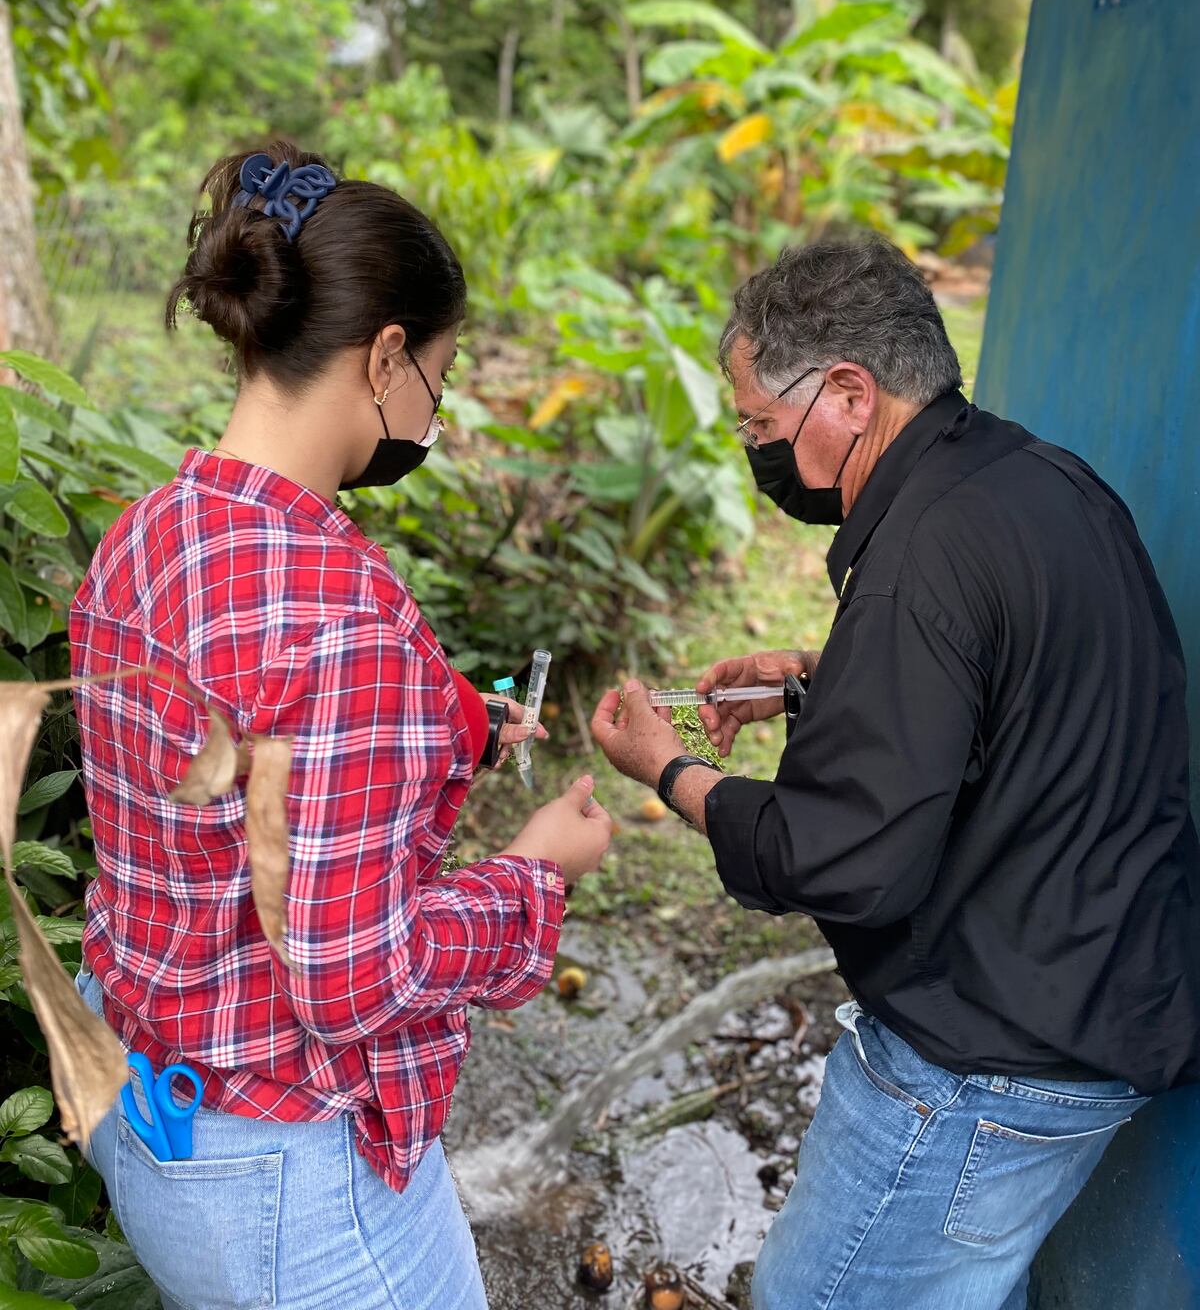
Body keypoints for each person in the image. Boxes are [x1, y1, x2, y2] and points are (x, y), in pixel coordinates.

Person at [591, 235, 1200, 1310]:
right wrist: (811, 683)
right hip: (1107, 994)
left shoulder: (918, 560)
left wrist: (666, 766)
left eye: (760, 426)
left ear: (848, 395)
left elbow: (843, 856)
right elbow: (1016, 697)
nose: (755, 449)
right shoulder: (1040, 481)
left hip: (991, 1054)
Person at [69, 139, 612, 1310]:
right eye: (439, 377)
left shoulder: (144, 535)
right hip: (287, 1182)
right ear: (384, 356)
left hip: (143, 1110)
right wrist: (534, 876)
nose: (436, 409)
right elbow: (353, 977)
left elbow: (231, 763)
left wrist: (441, 727)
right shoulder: (347, 618)